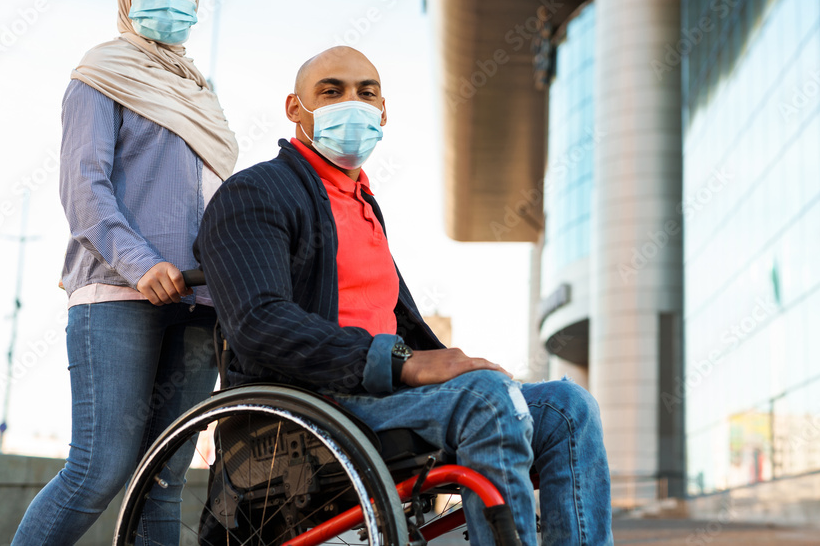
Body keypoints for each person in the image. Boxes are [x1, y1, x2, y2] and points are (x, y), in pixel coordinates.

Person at [194, 46, 612, 545]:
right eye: (331, 91)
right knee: (486, 400)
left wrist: (454, 362)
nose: (352, 103)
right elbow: (259, 323)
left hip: (385, 401)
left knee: (568, 406)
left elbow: (397, 323)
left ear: (384, 111)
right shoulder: (256, 192)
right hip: (309, 410)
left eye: (366, 92)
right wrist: (401, 362)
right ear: (294, 108)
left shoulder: (363, 206)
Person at [12, 0, 237, 546]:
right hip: (117, 292)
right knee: (97, 470)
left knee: (162, 487)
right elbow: (84, 188)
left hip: (197, 301)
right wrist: (142, 264)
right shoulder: (100, 74)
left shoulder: (200, 92)